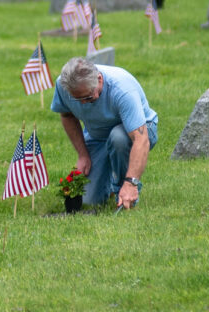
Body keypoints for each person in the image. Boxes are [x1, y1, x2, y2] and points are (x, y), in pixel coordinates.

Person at [51, 57, 157, 209]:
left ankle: (125, 191)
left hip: (139, 131)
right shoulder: (63, 85)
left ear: (99, 79)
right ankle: (111, 188)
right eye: (77, 99)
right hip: (98, 136)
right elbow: (67, 115)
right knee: (89, 201)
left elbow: (141, 139)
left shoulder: (121, 89)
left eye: (87, 97)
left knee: (118, 137)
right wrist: (83, 155)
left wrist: (131, 183)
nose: (82, 104)